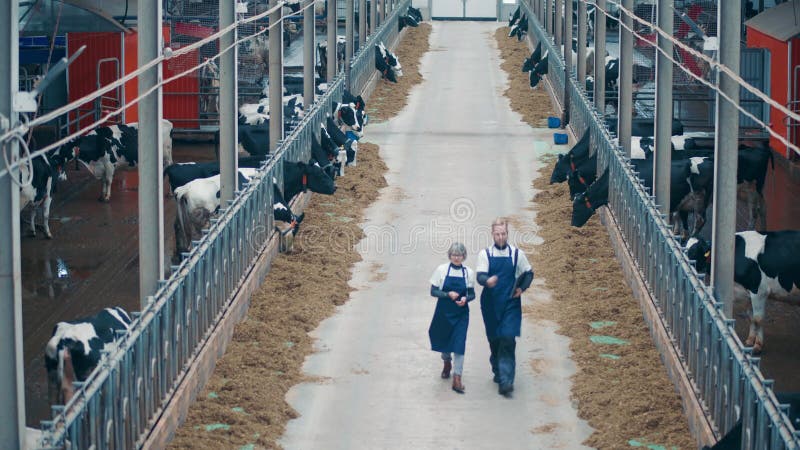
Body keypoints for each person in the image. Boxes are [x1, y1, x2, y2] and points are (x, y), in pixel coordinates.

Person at [476, 218, 534, 397]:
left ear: (507, 234)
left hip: (510, 303)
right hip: (490, 304)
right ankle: (497, 367)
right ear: (492, 234)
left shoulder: (517, 254)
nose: (501, 237)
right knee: (495, 340)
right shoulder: (485, 254)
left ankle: (506, 380)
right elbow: (480, 276)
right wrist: (488, 280)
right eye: (497, 234)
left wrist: (521, 288)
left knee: (508, 339)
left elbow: (529, 273)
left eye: (504, 233)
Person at [428, 242, 475, 394]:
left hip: (461, 314)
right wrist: (447, 294)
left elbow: (472, 294)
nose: (456, 258)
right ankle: (447, 362)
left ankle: (457, 378)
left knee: (459, 344)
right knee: (444, 342)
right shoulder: (441, 270)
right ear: (450, 256)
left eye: (459, 255)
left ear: (464, 256)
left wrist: (465, 300)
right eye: (454, 255)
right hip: (443, 312)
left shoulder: (468, 272)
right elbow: (433, 291)